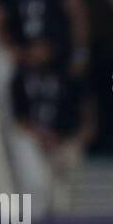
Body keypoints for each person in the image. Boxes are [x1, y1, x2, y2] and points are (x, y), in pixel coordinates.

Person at [10, 38, 95, 212]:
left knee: (66, 189)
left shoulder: (68, 76)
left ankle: (63, 222)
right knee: (38, 180)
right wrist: (40, 135)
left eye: (41, 48)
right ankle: (38, 220)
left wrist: (83, 133)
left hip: (65, 140)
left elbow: (85, 105)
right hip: (34, 140)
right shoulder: (20, 78)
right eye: (33, 48)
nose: (37, 53)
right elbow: (19, 117)